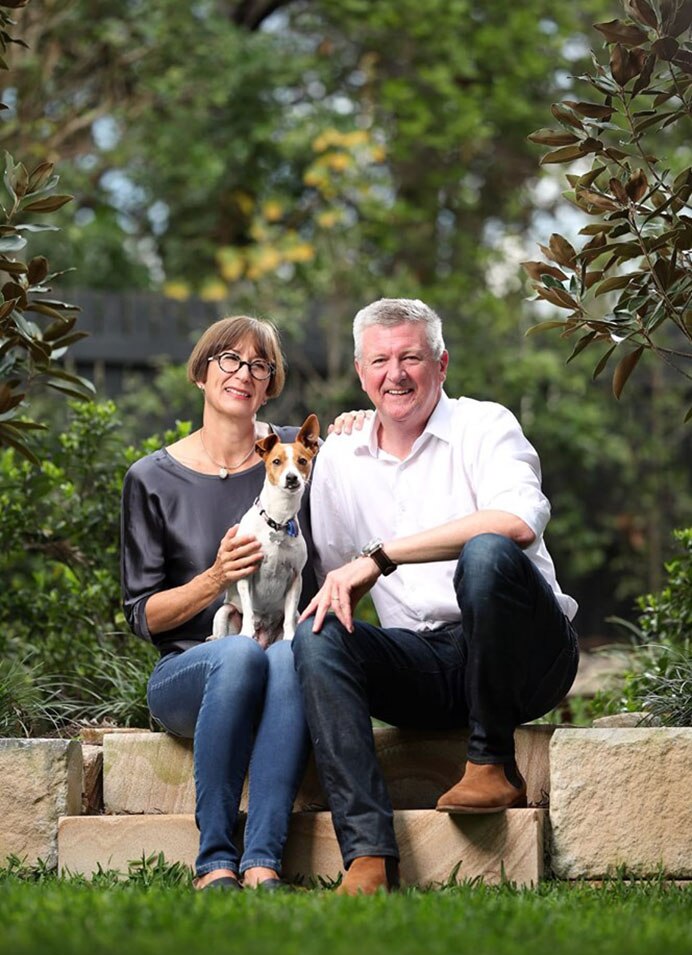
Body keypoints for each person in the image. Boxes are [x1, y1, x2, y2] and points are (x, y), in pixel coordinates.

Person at [292, 297, 579, 896]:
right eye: (380, 360)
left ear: (442, 365)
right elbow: (326, 574)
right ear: (360, 372)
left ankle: (490, 764)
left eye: (411, 357)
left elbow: (518, 524)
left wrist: (383, 556)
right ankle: (368, 856)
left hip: (525, 659)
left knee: (486, 550)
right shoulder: (341, 456)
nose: (395, 373)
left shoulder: (485, 424)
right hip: (426, 665)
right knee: (318, 629)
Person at [121, 315, 319, 892]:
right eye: (229, 359)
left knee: (283, 656)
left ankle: (262, 863)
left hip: (273, 659)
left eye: (261, 364)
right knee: (238, 655)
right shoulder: (151, 478)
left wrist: (359, 418)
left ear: (270, 381)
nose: (244, 373)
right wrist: (213, 579)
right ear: (203, 372)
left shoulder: (291, 463)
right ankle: (214, 861)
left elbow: (354, 442)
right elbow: (143, 615)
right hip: (190, 670)